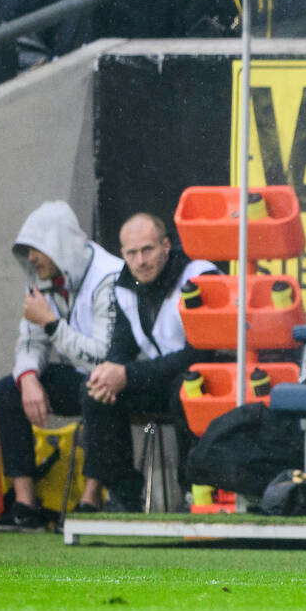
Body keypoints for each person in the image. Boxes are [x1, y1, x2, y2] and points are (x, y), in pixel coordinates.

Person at [0, 201, 122, 531]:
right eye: (27, 250)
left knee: (97, 387)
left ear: (58, 244)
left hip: (116, 379)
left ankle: (91, 500)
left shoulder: (110, 276)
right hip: (78, 375)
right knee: (9, 388)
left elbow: (104, 356)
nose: (30, 258)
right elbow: (30, 343)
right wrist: (29, 377)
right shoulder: (42, 279)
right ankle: (25, 505)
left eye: (37, 249)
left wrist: (51, 325)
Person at [81, 212, 217, 510]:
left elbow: (203, 352)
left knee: (186, 389)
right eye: (132, 253)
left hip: (204, 379)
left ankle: (193, 493)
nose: (140, 261)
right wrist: (110, 372)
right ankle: (123, 494)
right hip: (156, 380)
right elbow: (121, 349)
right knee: (95, 390)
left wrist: (128, 373)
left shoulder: (199, 276)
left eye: (148, 250)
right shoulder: (123, 286)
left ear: (166, 245)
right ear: (122, 255)